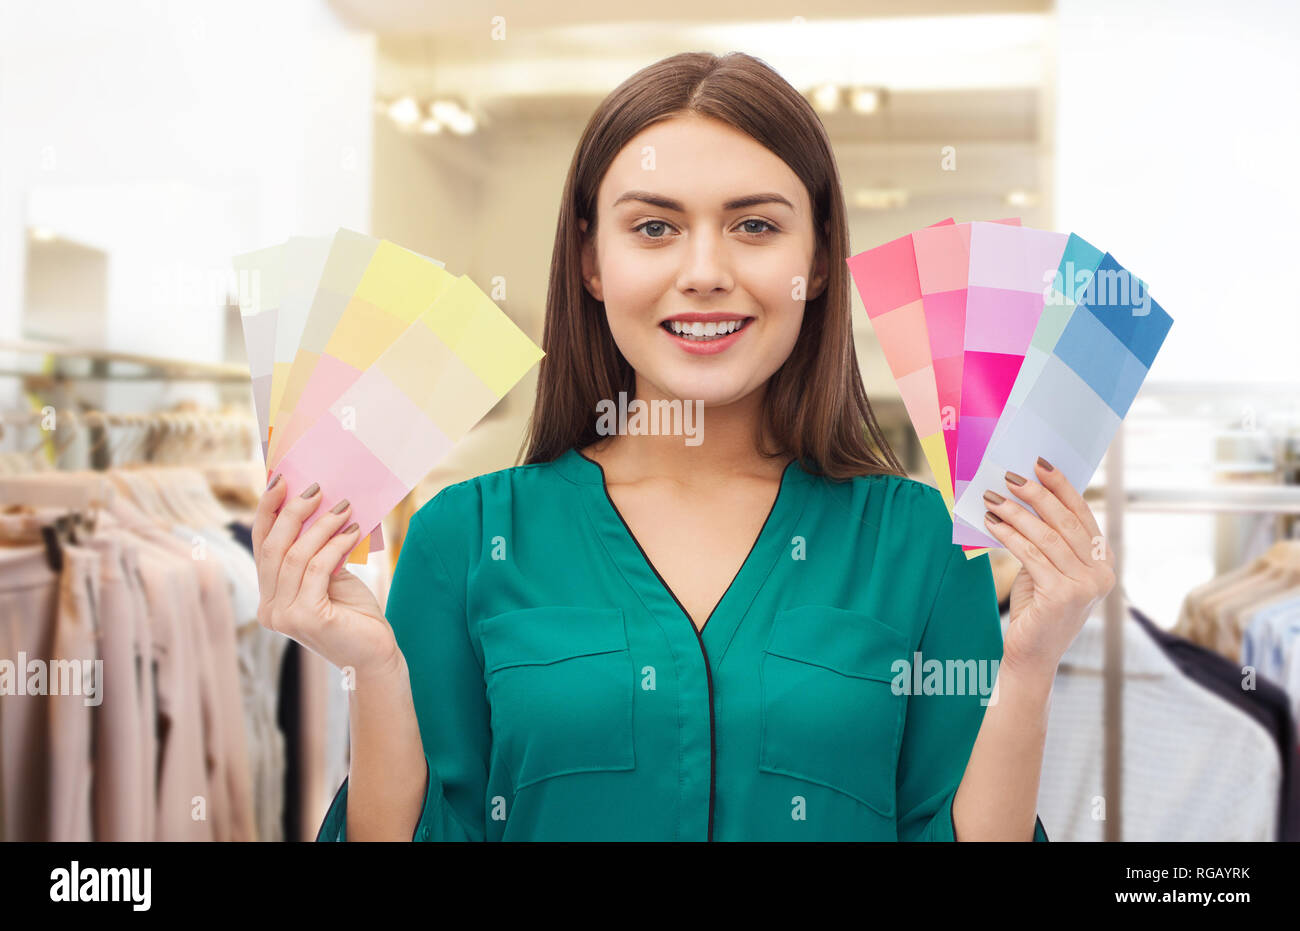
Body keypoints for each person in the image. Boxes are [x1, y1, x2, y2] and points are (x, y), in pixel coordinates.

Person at [252, 51, 1115, 841]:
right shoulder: (462, 540)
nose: (704, 270)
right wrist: (373, 668)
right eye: (655, 228)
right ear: (592, 262)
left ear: (816, 262)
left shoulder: (922, 543)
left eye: (755, 226)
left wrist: (1030, 661)